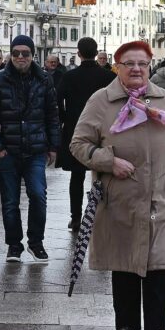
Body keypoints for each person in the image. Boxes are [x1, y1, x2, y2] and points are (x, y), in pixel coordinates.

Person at [70, 40, 165, 330]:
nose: (137, 69)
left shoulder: (164, 99)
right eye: (130, 64)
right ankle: (124, 329)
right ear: (118, 68)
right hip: (119, 199)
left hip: (161, 199)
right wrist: (108, 161)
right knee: (123, 268)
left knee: (158, 268)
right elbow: (78, 144)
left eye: (142, 64)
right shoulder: (101, 101)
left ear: (150, 67)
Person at [0, 35, 60, 263]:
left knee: (37, 195)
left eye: (25, 53)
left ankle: (36, 242)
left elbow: (52, 115)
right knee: (9, 201)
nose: (20, 57)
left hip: (36, 149)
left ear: (32, 55)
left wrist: (53, 146)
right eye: (16, 53)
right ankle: (14, 245)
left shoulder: (44, 79)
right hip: (8, 150)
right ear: (11, 54)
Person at [57, 37, 115, 230]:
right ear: (96, 52)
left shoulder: (69, 76)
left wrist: (64, 118)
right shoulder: (108, 77)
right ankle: (100, 214)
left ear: (78, 53)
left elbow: (58, 100)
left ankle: (75, 217)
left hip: (76, 128)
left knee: (77, 176)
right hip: (103, 129)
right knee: (102, 174)